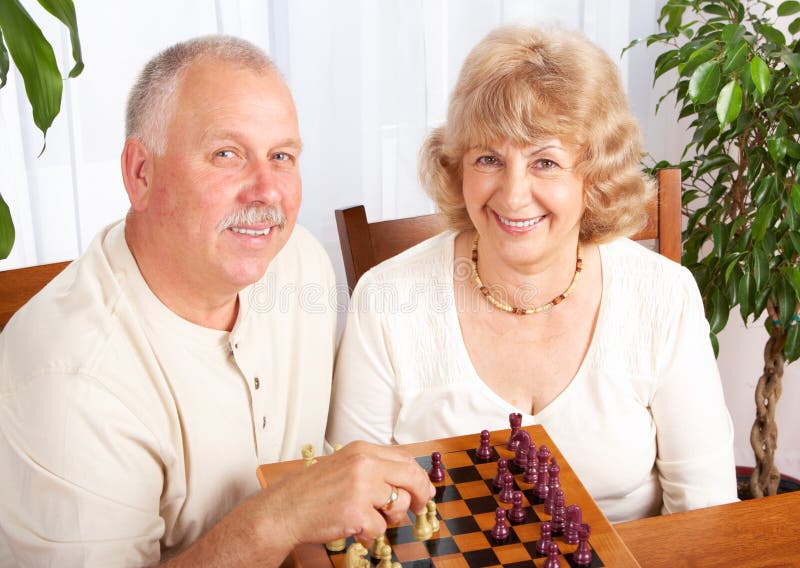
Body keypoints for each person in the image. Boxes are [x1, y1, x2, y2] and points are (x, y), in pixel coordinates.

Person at [0, 36, 434, 566]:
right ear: (140, 173)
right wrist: (278, 518)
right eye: (226, 154)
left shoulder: (298, 263)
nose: (267, 191)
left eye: (282, 156)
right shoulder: (69, 383)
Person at [327, 25, 738, 523]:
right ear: (458, 167)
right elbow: (349, 509)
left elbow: (705, 514)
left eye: (545, 161)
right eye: (488, 159)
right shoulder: (386, 300)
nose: (513, 194)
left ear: (595, 175)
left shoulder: (664, 296)